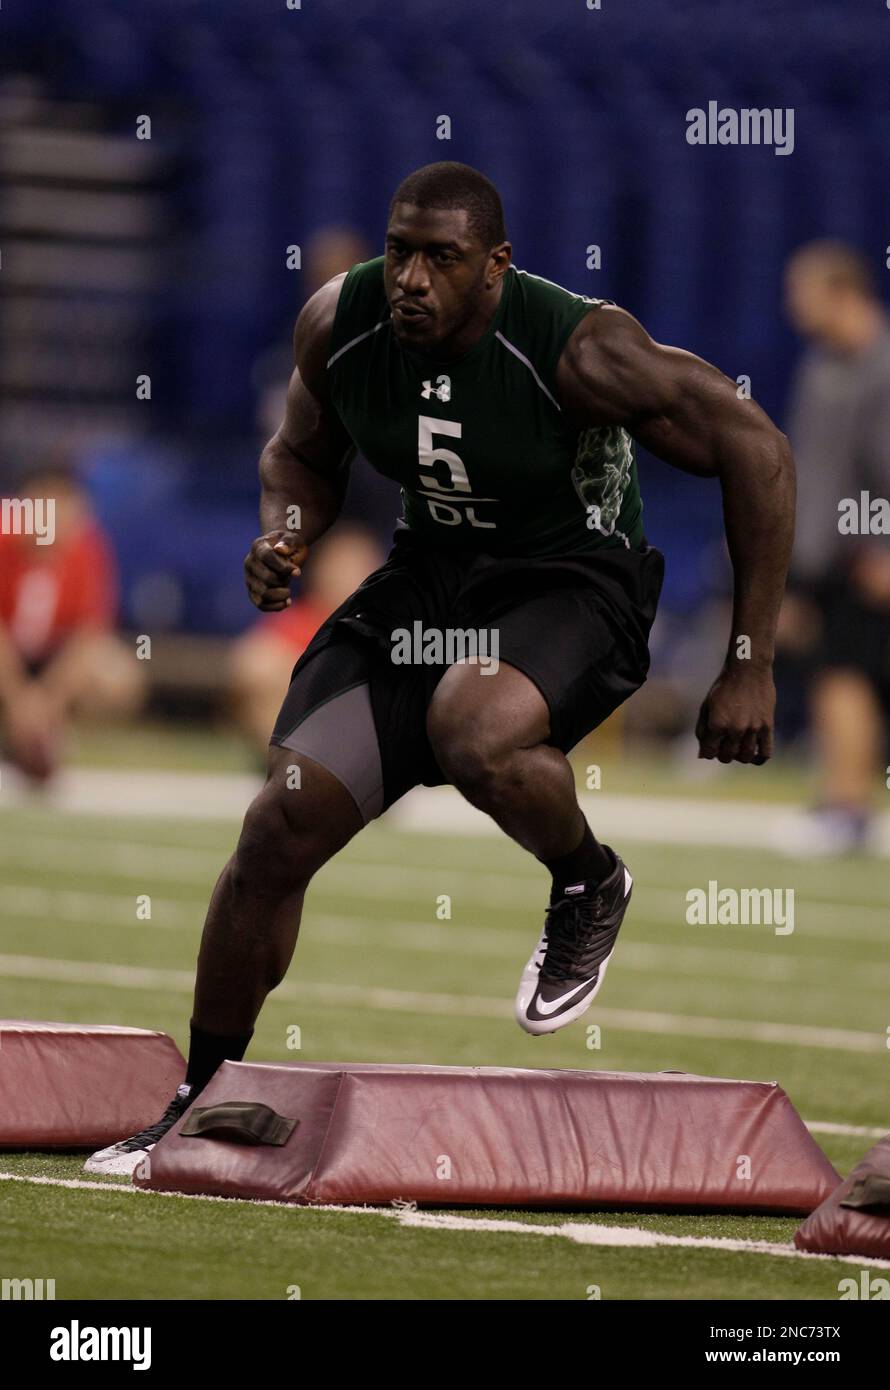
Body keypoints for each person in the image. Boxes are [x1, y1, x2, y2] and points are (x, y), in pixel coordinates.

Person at [87, 161, 794, 1175]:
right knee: (278, 819)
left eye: (441, 257)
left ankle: (585, 879)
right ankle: (201, 1098)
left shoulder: (578, 348)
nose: (411, 277)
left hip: (571, 582)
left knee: (473, 725)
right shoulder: (342, 319)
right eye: (399, 250)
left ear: (495, 267)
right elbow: (300, 449)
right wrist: (285, 533)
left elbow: (756, 448)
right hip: (430, 581)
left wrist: (748, 659)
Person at [779, 240, 890, 852]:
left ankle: (850, 809)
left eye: (805, 290)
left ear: (843, 292)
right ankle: (839, 797)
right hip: (827, 551)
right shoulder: (822, 367)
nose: (795, 304)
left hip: (866, 552)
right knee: (832, 676)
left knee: (847, 674)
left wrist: (883, 546)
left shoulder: (882, 365)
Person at [0, 462, 143, 781]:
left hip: (50, 658)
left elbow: (89, 634)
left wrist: (49, 703)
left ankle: (53, 734)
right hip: (8, 661)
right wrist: (18, 700)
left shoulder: (88, 546)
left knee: (115, 678)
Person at [228, 522, 384, 752]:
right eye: (341, 568)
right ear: (322, 571)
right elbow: (250, 663)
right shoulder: (299, 620)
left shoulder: (392, 623)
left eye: (358, 567)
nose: (349, 578)